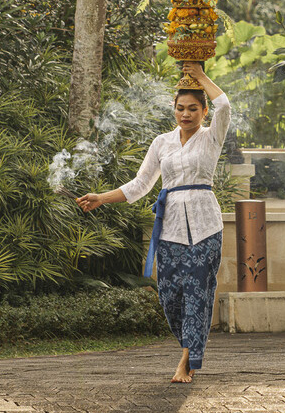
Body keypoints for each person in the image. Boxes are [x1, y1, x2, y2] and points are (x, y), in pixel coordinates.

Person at [77, 66, 230, 383]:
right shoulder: (162, 143)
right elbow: (140, 184)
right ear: (173, 109)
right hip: (171, 227)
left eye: (193, 109)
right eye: (180, 108)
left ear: (203, 111)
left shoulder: (212, 137)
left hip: (206, 227)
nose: (185, 114)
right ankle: (189, 344)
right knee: (171, 296)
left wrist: (200, 76)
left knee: (197, 294)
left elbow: (225, 105)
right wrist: (101, 198)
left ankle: (186, 362)